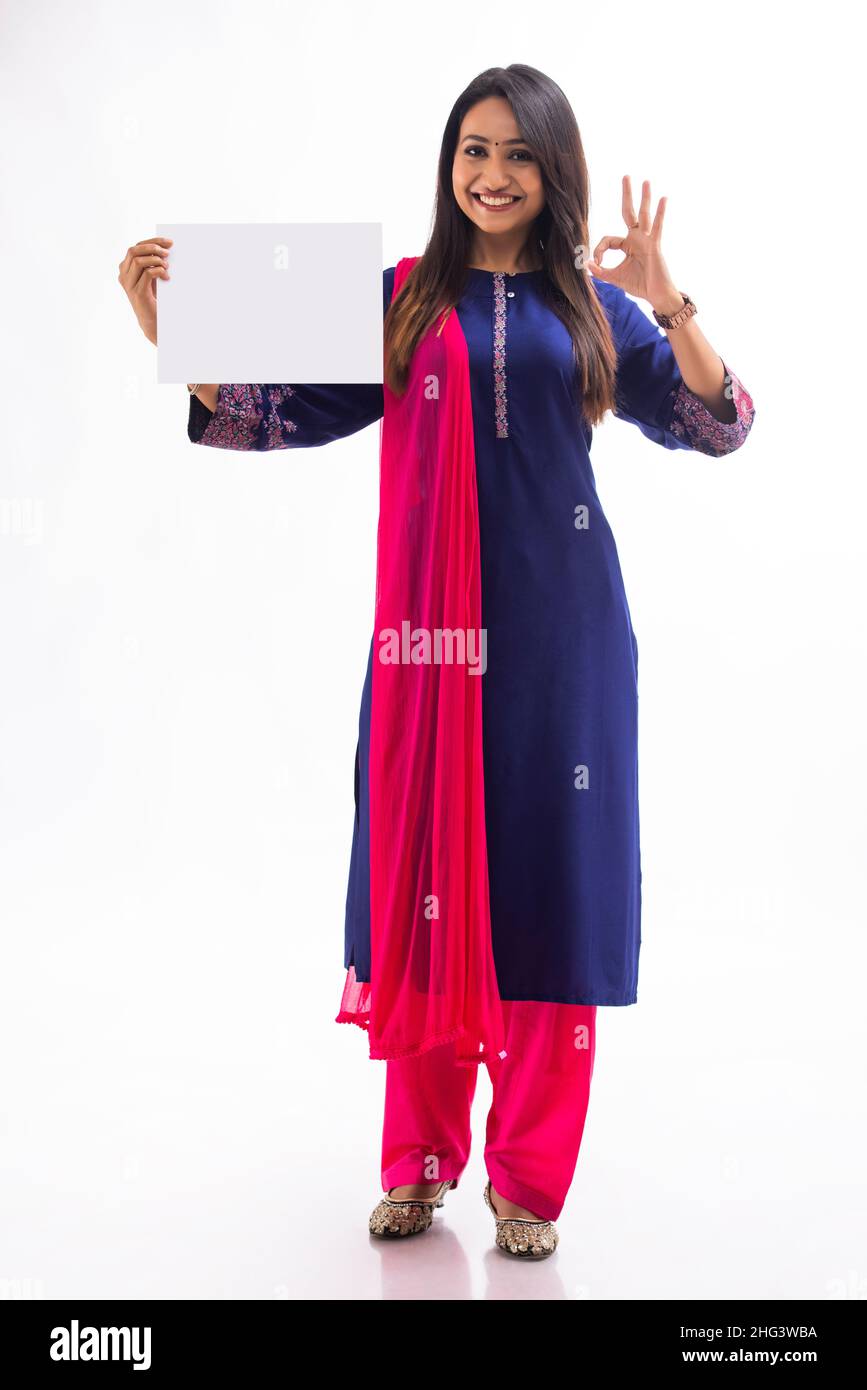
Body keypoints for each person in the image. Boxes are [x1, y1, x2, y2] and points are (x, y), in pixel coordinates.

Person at [119, 63, 755, 1261]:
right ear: (448, 164)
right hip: (429, 650)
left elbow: (719, 424)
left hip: (567, 650)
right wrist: (175, 333)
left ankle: (526, 1180)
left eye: (518, 153)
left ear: (553, 169)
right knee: (425, 879)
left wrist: (671, 302)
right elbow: (274, 407)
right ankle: (417, 1160)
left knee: (551, 897)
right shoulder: (401, 299)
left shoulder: (595, 309)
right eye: (473, 149)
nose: (493, 174)